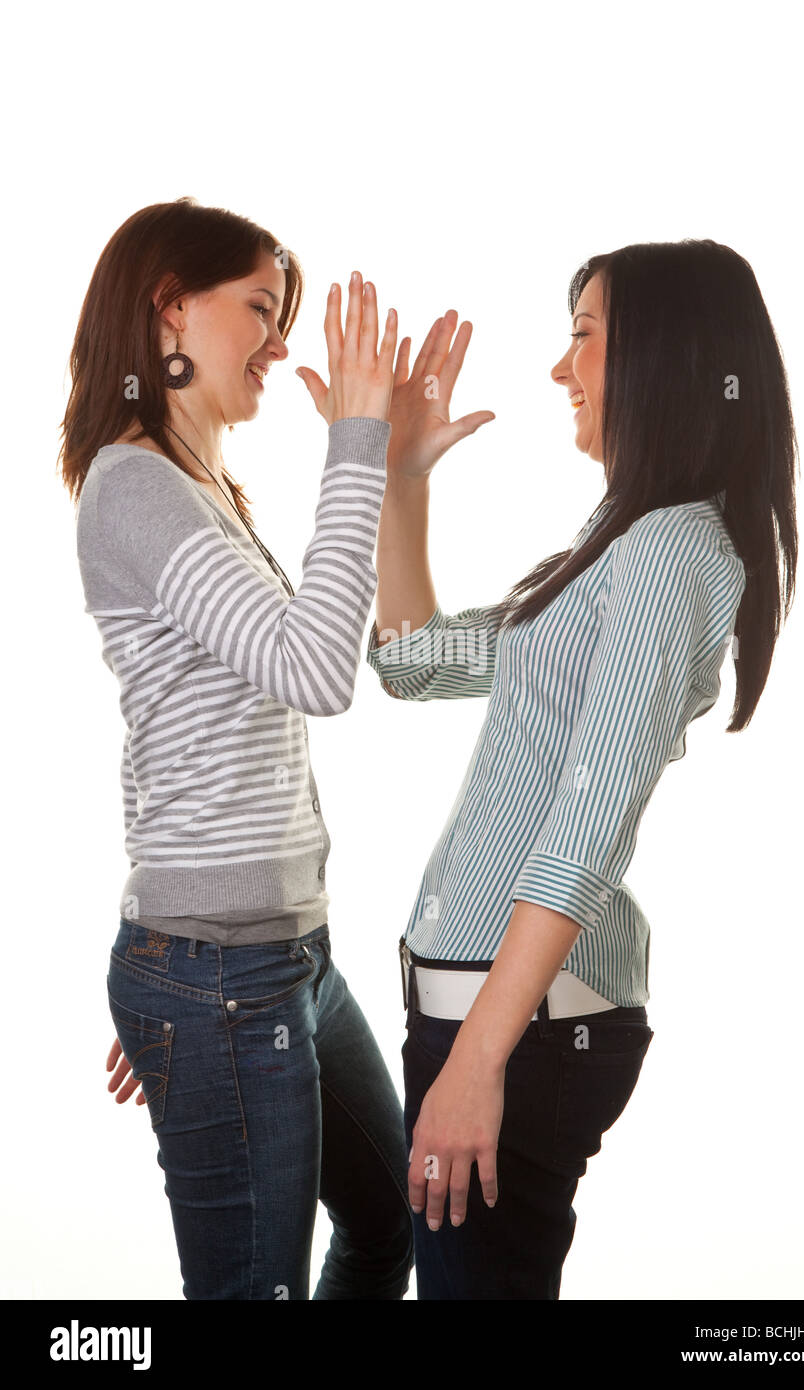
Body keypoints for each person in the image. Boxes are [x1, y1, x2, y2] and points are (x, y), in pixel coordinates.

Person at [366, 239, 799, 1299]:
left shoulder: (667, 552)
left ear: (664, 355)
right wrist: (401, 479)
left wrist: (474, 1061)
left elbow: (586, 821)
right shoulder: (617, 545)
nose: (561, 368)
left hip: (511, 1032)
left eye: (583, 336)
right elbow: (414, 664)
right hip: (494, 1020)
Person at [60, 197, 414, 1300]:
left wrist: (176, 1004)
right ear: (169, 310)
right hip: (222, 974)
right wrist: (355, 438)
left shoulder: (205, 490)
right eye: (259, 311)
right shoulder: (134, 488)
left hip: (275, 961)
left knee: (388, 1219)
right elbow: (316, 672)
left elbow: (228, 724)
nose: (279, 344)